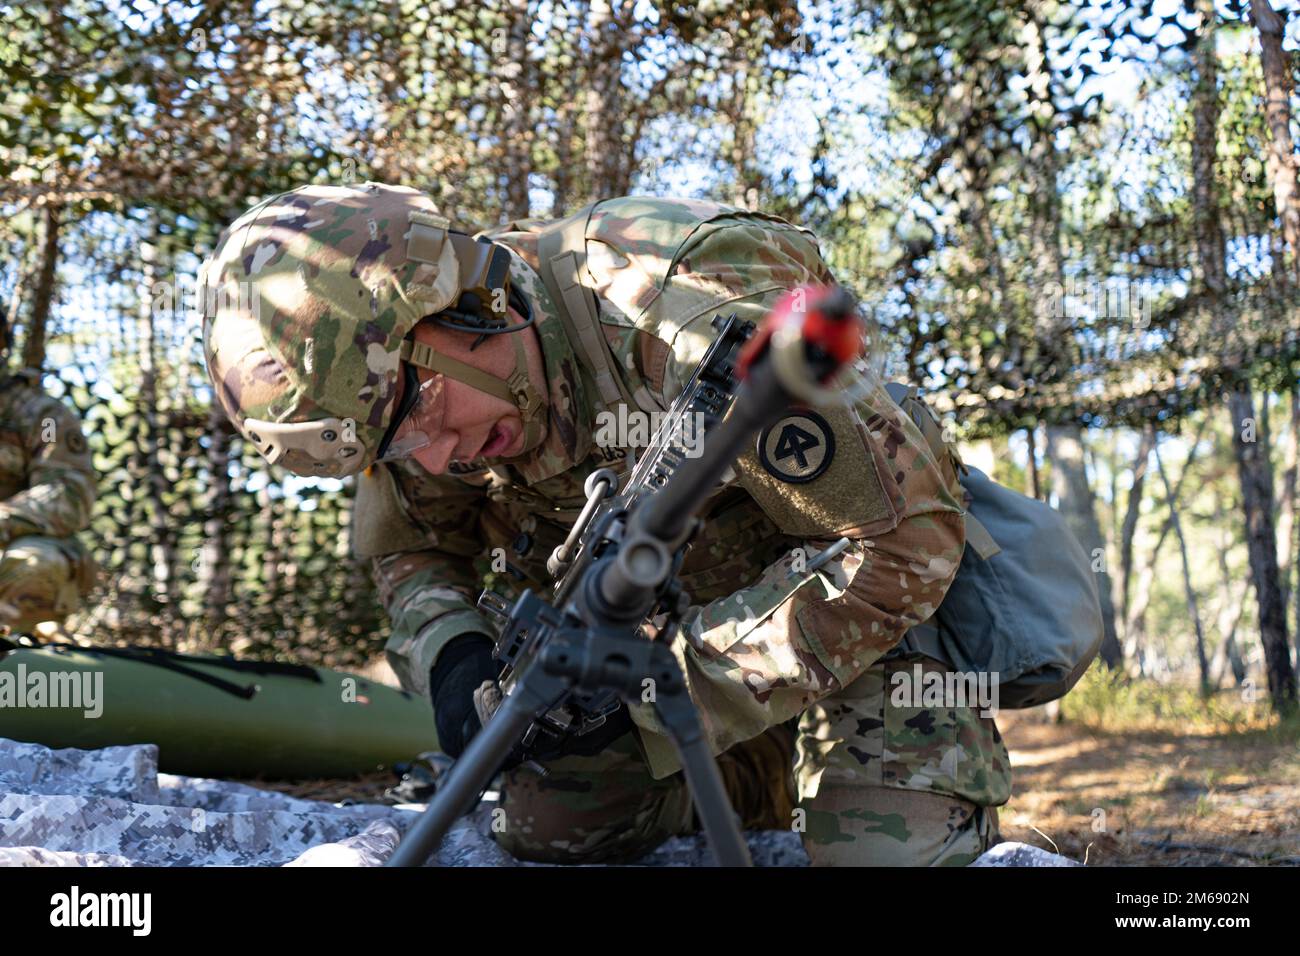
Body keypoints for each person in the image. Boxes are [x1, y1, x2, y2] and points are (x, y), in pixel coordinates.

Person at [201, 182, 1011, 865]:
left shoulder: (669, 306)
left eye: (423, 413)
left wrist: (662, 702)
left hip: (871, 627)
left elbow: (903, 544)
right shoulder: (398, 406)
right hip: (659, 663)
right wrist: (453, 658)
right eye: (402, 444)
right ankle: (761, 777)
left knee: (881, 851)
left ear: (456, 301)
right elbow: (412, 553)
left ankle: (839, 774)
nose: (440, 457)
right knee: (548, 825)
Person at [0, 311, 97, 635]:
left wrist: (5, 519)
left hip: (9, 542)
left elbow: (69, 493)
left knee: (36, 563)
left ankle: (25, 665)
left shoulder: (41, 416)